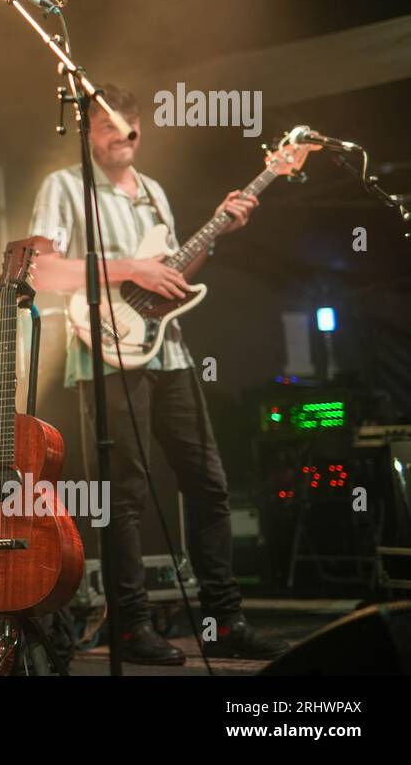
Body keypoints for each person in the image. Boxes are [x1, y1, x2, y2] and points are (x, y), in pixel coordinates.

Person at [28, 84, 290, 664]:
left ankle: (226, 621)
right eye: (106, 127)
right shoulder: (65, 186)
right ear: (89, 132)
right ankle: (131, 625)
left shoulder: (155, 195)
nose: (120, 136)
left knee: (210, 485)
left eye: (129, 126)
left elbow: (173, 275)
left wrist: (220, 230)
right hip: (106, 349)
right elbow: (42, 269)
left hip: (169, 350)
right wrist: (132, 268)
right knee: (124, 496)